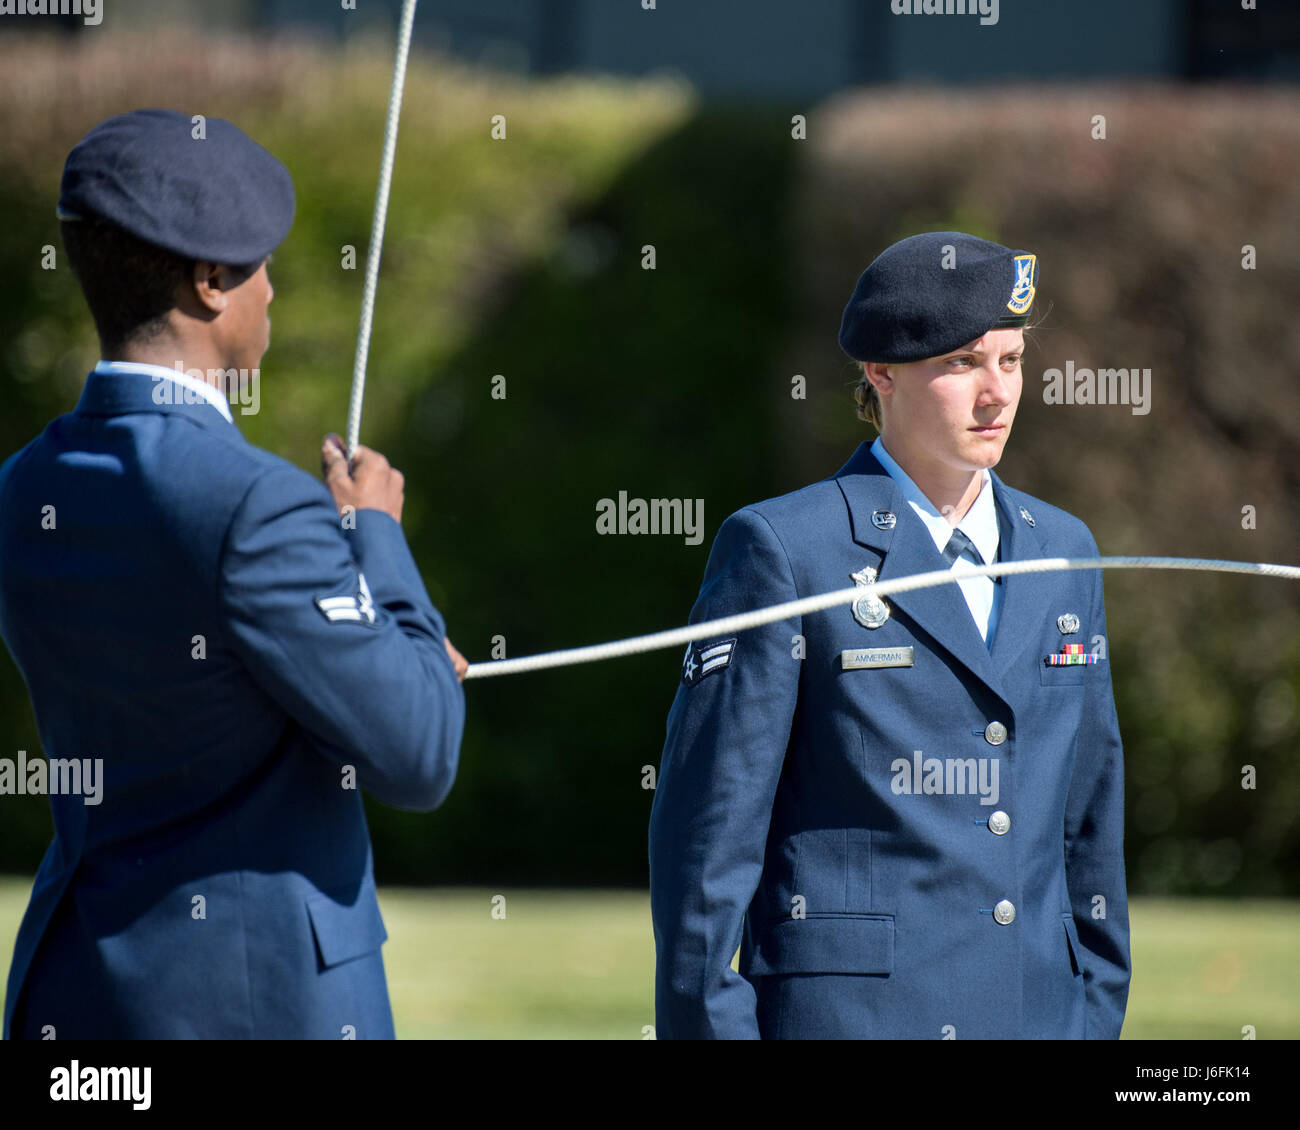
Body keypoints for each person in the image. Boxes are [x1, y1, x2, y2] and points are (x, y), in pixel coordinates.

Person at [0, 109, 466, 1039]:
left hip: (75, 995)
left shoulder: (23, 484)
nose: (274, 289)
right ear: (211, 282)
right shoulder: (258, 503)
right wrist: (376, 537)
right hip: (255, 1004)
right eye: (260, 265)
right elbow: (418, 753)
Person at [649, 231, 1130, 1039]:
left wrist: (1093, 1013)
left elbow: (1090, 813)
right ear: (881, 373)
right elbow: (706, 843)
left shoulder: (1063, 551)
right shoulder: (784, 549)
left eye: (1011, 361)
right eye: (963, 363)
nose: (997, 394)